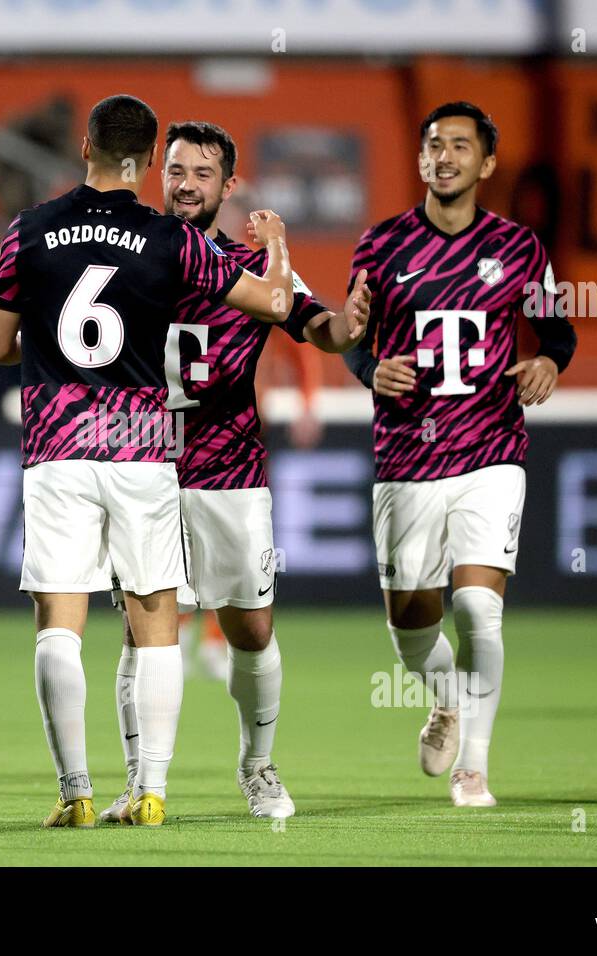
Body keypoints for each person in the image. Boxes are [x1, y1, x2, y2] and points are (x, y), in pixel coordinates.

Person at [0, 94, 294, 827]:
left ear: (86, 150)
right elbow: (277, 303)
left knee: (59, 623)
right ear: (148, 159)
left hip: (59, 449)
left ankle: (75, 793)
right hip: (142, 451)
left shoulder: (32, 230)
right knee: (156, 615)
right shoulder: (171, 239)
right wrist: (278, 248)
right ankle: (154, 791)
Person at [97, 120, 368, 822]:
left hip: (230, 470)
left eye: (203, 173)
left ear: (228, 184)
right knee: (142, 629)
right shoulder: (129, 252)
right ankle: (140, 782)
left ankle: (257, 765)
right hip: (144, 469)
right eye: (177, 170)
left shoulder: (252, 267)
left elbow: (321, 329)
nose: (186, 184)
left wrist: (353, 322)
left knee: (250, 630)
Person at [344, 102, 577, 807]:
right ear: (420, 160)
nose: (444, 156)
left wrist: (549, 365)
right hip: (406, 458)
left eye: (459, 146)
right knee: (411, 622)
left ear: (487, 163)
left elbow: (556, 331)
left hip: (491, 449)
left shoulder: (518, 248)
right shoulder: (380, 246)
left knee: (477, 606)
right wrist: (367, 368)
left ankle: (474, 766)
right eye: (433, 145)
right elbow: (348, 334)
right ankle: (446, 698)